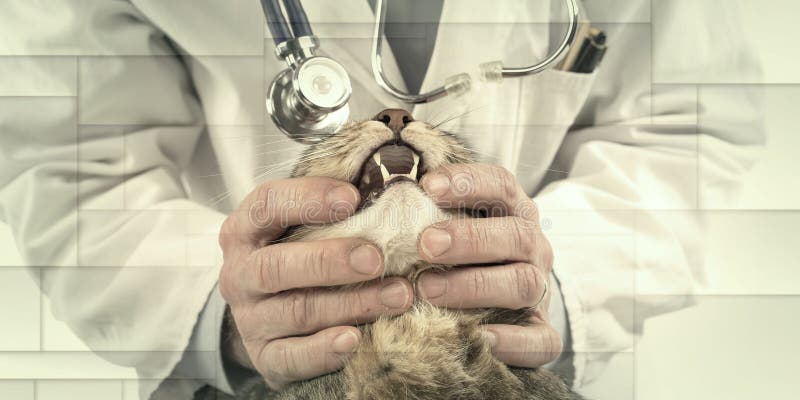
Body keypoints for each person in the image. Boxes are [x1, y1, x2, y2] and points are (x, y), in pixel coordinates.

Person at [0, 0, 762, 399]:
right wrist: (232, 311)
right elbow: (67, 161)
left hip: (532, 378)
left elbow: (694, 123)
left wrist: (551, 288)